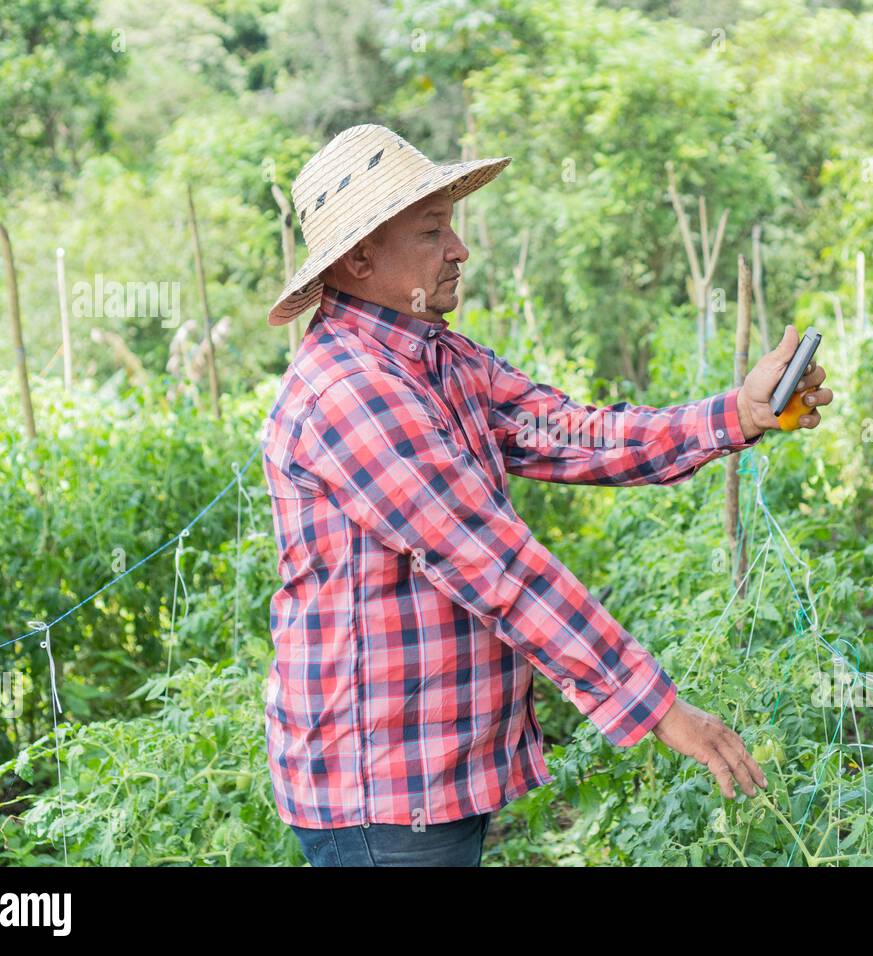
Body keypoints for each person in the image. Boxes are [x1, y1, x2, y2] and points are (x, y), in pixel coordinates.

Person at [261, 124, 833, 867]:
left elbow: (579, 436)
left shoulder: (435, 358)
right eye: (434, 231)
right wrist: (658, 709)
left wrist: (741, 413)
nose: (459, 249)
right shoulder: (352, 392)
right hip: (383, 793)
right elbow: (494, 565)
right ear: (361, 257)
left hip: (428, 775)